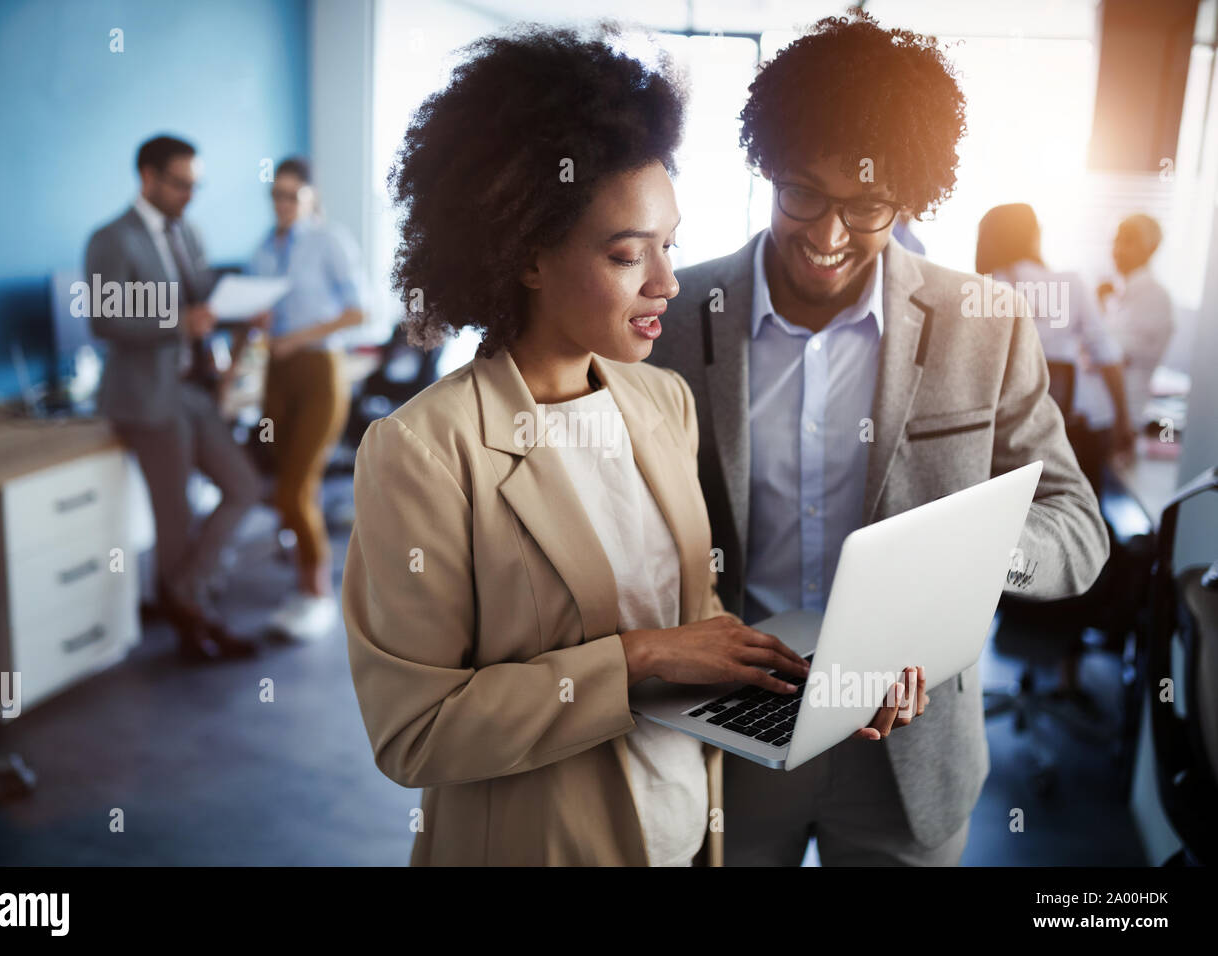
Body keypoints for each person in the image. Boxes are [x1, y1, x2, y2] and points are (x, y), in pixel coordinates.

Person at [341, 25, 925, 867]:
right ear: (527, 255)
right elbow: (416, 732)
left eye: (669, 246)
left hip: (689, 829)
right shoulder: (425, 452)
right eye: (626, 254)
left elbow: (697, 619)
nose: (666, 283)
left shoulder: (661, 402)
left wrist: (824, 680)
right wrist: (641, 657)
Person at [648, 11, 1109, 866]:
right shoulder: (672, 319)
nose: (827, 237)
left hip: (913, 745)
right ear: (768, 167)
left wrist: (970, 562)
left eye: (867, 208)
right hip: (728, 737)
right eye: (804, 195)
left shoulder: (986, 323)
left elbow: (1077, 528)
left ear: (912, 196)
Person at [86, 135, 262, 662]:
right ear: (148, 177)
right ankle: (194, 623)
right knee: (176, 517)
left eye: (195, 184)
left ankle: (183, 596)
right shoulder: (112, 239)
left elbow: (202, 295)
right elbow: (105, 318)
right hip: (146, 397)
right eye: (182, 184)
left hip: (193, 390)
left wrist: (241, 308)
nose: (191, 194)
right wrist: (177, 322)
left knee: (244, 486)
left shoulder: (188, 232)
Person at [247, 157, 366, 640]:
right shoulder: (262, 250)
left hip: (318, 370)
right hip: (276, 375)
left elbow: (359, 311)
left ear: (312, 198)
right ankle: (302, 584)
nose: (283, 203)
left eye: (293, 195)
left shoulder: (328, 241)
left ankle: (315, 596)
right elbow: (259, 314)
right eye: (276, 194)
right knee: (289, 486)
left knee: (295, 490)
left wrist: (298, 338)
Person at [976, 202, 1135, 497]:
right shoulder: (1071, 283)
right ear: (1033, 235)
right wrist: (1123, 422)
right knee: (1080, 514)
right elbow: (1106, 356)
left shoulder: (983, 288)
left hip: (1006, 434)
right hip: (1075, 430)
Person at [1097, 214, 1175, 430]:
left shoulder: (1155, 297)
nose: (1118, 249)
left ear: (1151, 249)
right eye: (1116, 240)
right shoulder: (1120, 294)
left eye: (1129, 241)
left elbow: (1110, 354)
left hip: (1123, 418)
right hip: (1104, 413)